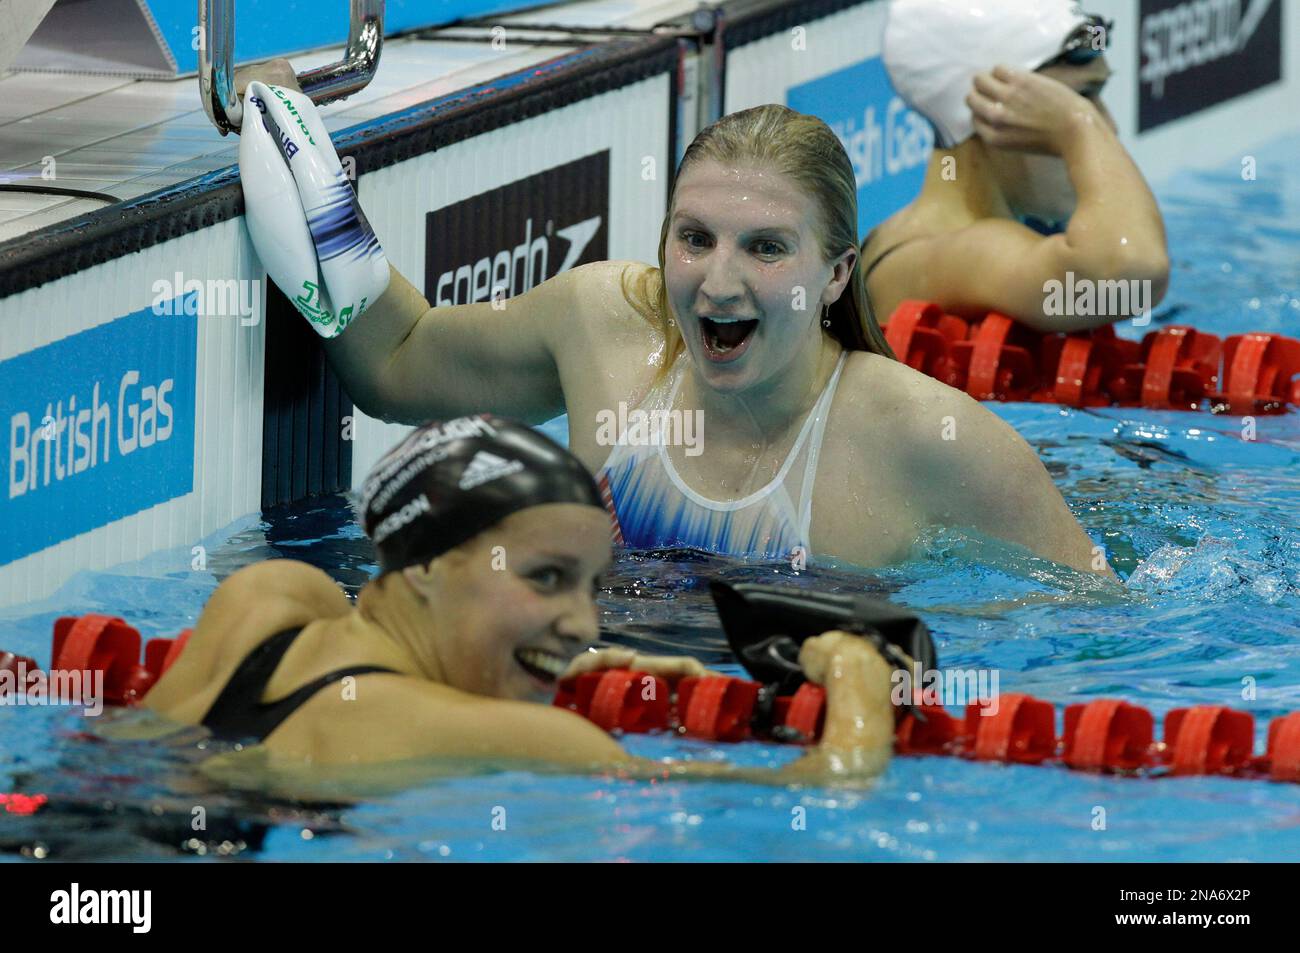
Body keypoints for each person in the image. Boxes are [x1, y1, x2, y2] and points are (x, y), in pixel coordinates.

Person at [236, 67, 1113, 578]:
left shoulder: (925, 435)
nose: (717, 282)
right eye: (694, 239)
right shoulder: (605, 326)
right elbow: (399, 365)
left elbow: (1094, 627)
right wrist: (329, 235)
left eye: (767, 249)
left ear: (837, 272)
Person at [143, 416, 898, 782]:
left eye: (590, 585)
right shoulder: (542, 743)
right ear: (425, 565)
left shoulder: (269, 596)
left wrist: (540, 655)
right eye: (545, 578)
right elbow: (832, 785)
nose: (584, 621)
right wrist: (860, 679)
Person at [861, 0, 1170, 331]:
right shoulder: (940, 256)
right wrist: (1076, 126)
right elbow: (1132, 279)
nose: (1107, 127)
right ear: (992, 109)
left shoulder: (988, 237)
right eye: (1080, 98)